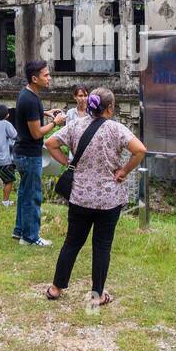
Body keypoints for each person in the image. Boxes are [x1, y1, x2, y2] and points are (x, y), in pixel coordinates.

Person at [44, 88, 146, 306]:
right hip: (109, 199)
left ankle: (56, 288)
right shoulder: (116, 129)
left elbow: (50, 143)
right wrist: (124, 171)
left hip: (80, 196)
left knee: (72, 242)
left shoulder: (75, 125)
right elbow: (140, 150)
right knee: (102, 246)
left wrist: (68, 163)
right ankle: (97, 295)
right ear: (109, 108)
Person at [13, 60, 64, 246]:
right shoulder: (31, 99)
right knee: (33, 196)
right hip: (30, 154)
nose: (49, 78)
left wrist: (46, 113)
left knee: (24, 193)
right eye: (46, 75)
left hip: (21, 152)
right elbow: (36, 133)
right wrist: (55, 123)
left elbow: (31, 115)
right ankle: (31, 237)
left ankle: (20, 231)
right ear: (35, 78)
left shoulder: (27, 94)